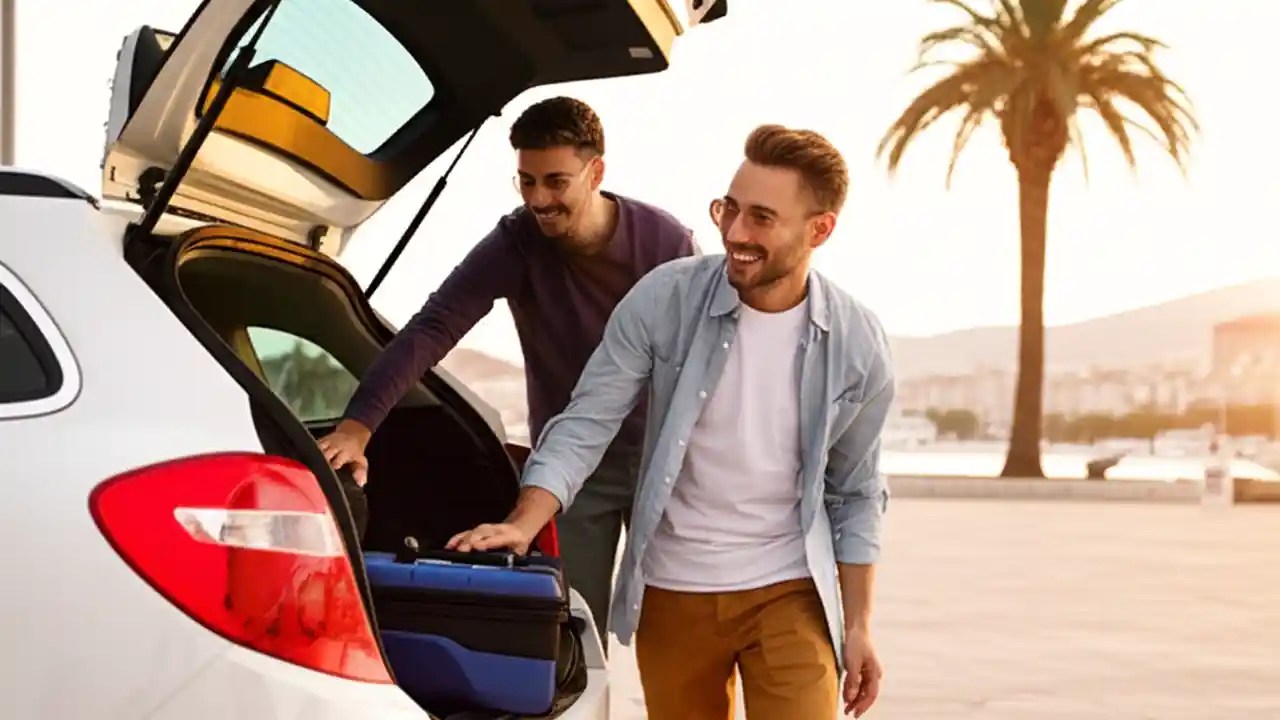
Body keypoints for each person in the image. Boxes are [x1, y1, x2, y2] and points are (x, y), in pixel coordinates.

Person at [446, 123, 894, 718]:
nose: (734, 232)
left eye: (761, 217)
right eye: (728, 209)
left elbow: (856, 492)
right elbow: (587, 420)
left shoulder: (857, 344)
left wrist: (859, 624)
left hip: (790, 591)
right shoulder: (666, 299)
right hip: (675, 590)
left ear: (820, 229)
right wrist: (525, 522)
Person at [317, 96, 697, 642]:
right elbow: (432, 329)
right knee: (568, 627)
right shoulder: (516, 243)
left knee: (678, 628)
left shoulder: (666, 244)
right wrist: (358, 427)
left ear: (597, 173)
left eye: (556, 181)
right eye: (526, 181)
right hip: (569, 467)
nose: (539, 199)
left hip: (661, 457)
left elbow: (708, 362)